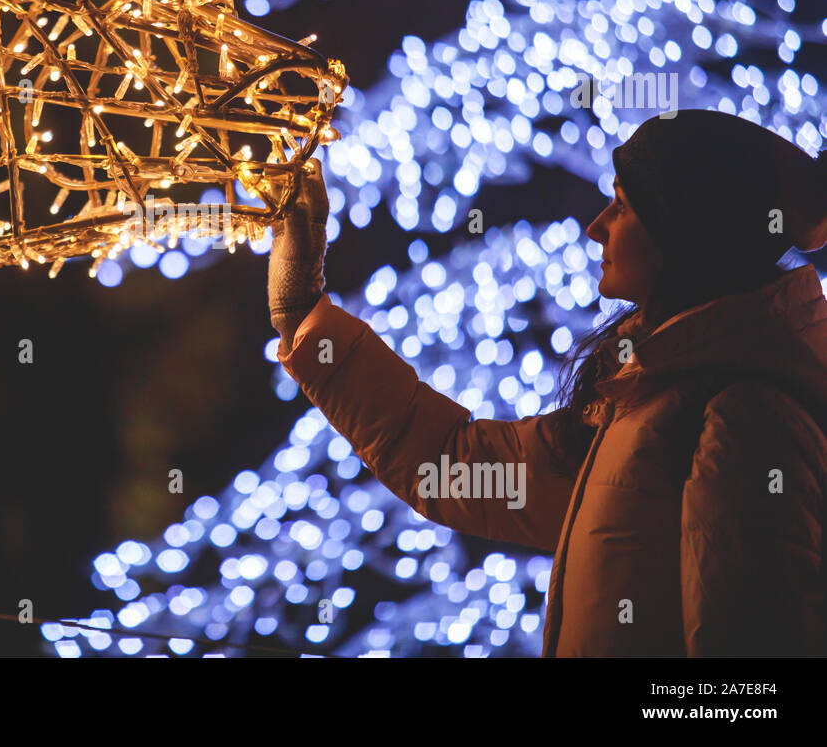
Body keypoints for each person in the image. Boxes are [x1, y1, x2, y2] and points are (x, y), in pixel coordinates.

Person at [267, 109, 827, 656]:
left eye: (623, 206)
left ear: (683, 233)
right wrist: (303, 311)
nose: (596, 226)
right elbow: (454, 465)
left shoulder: (745, 416)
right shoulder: (644, 398)